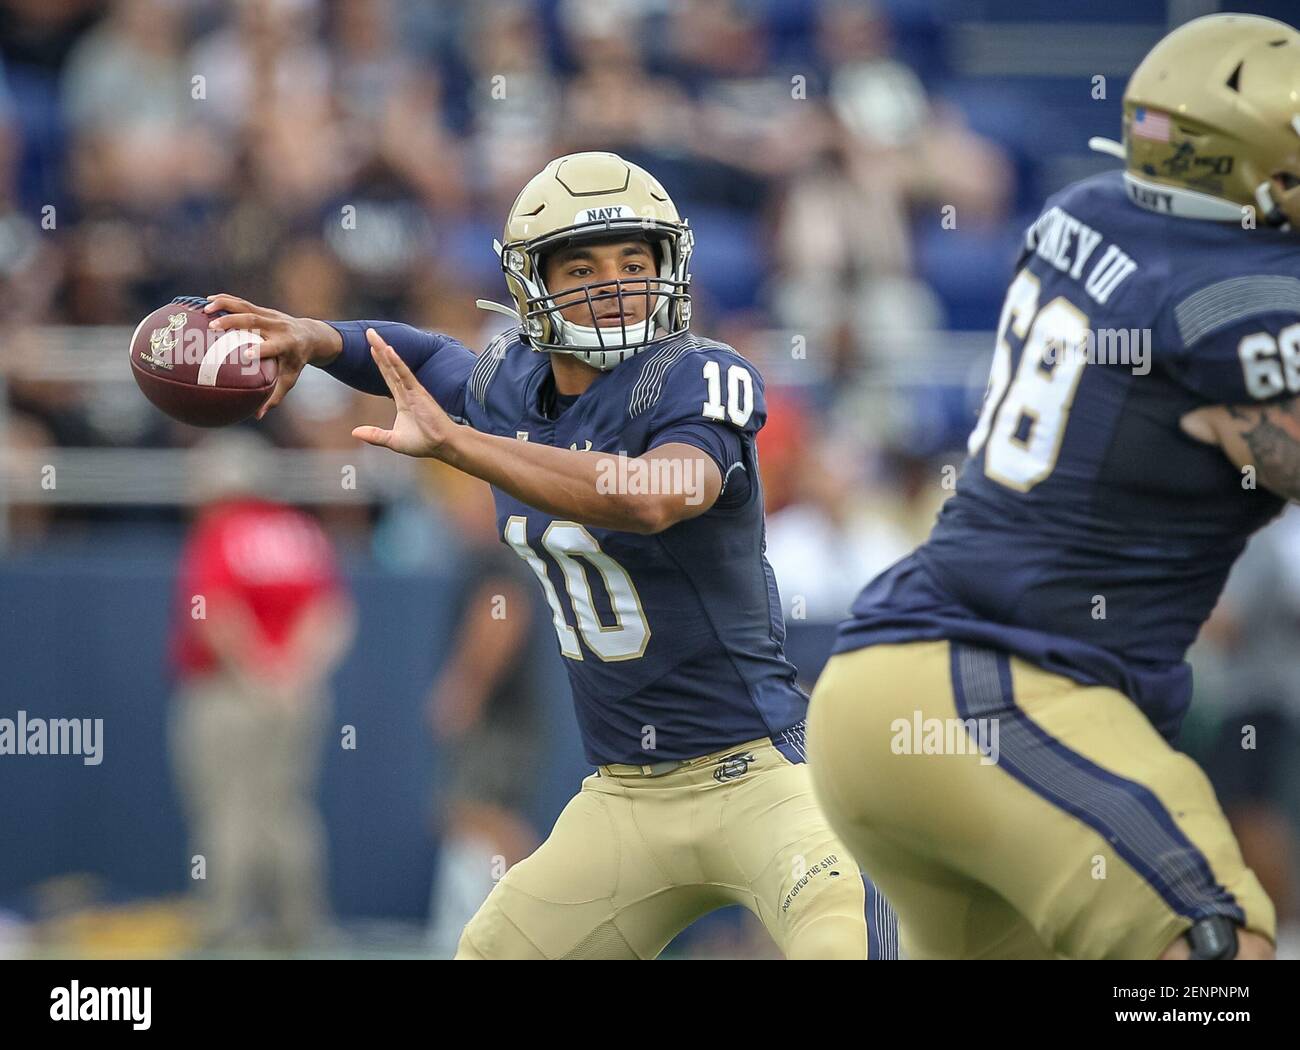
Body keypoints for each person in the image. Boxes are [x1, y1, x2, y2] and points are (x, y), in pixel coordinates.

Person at [197, 151, 897, 960]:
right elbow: (421, 357)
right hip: (625, 800)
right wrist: (320, 338)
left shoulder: (695, 377)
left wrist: (465, 448)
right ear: (532, 286)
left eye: (635, 261)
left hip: (762, 777)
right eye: (584, 266)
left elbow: (653, 493)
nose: (616, 284)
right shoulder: (509, 384)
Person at [805, 13, 1300, 960]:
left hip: (885, 697)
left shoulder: (1091, 213)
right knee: (1211, 949)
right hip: (1001, 689)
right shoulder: (1230, 300)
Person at [170, 431, 355, 951]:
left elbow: (215, 614)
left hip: (229, 693)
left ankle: (225, 926)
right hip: (299, 694)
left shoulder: (221, 531)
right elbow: (333, 614)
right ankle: (299, 927)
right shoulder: (299, 530)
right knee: (287, 809)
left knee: (227, 811)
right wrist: (294, 672)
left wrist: (259, 674)